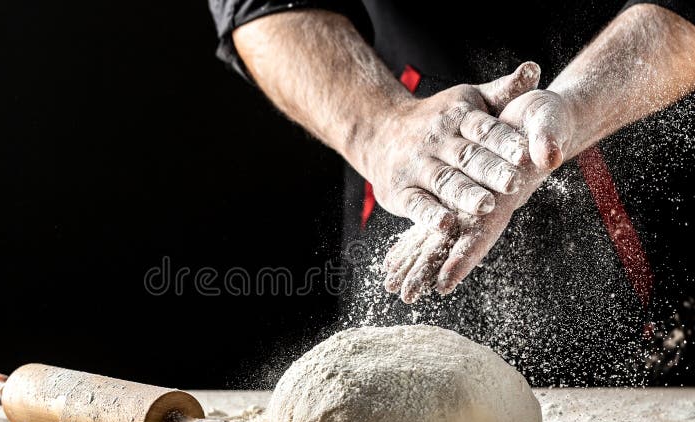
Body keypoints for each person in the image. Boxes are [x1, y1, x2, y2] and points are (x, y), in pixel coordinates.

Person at [209, 1, 695, 385]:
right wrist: (380, 127)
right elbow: (261, 7)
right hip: (415, 155)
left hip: (631, 103)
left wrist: (577, 105)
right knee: (397, 396)